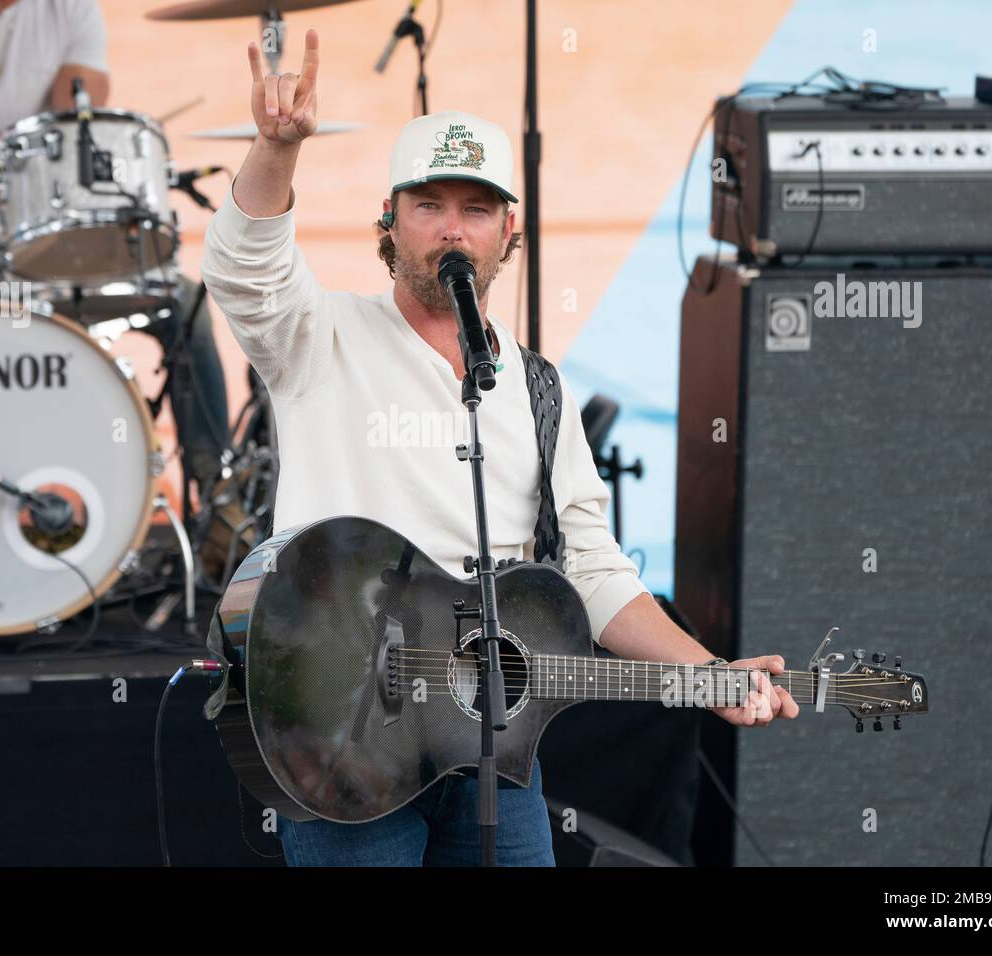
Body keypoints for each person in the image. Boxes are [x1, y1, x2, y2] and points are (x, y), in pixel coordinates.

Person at [201, 28, 799, 868]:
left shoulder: (535, 387)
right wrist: (274, 150)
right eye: (429, 206)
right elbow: (243, 270)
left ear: (507, 229)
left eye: (475, 209)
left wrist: (712, 671)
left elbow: (593, 570)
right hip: (342, 736)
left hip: (491, 746)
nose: (453, 230)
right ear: (390, 220)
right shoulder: (320, 337)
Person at [0, 0, 229, 489]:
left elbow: (73, 125)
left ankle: (220, 504)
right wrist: (0, 165)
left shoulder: (71, 9)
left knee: (184, 305)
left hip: (34, 240)